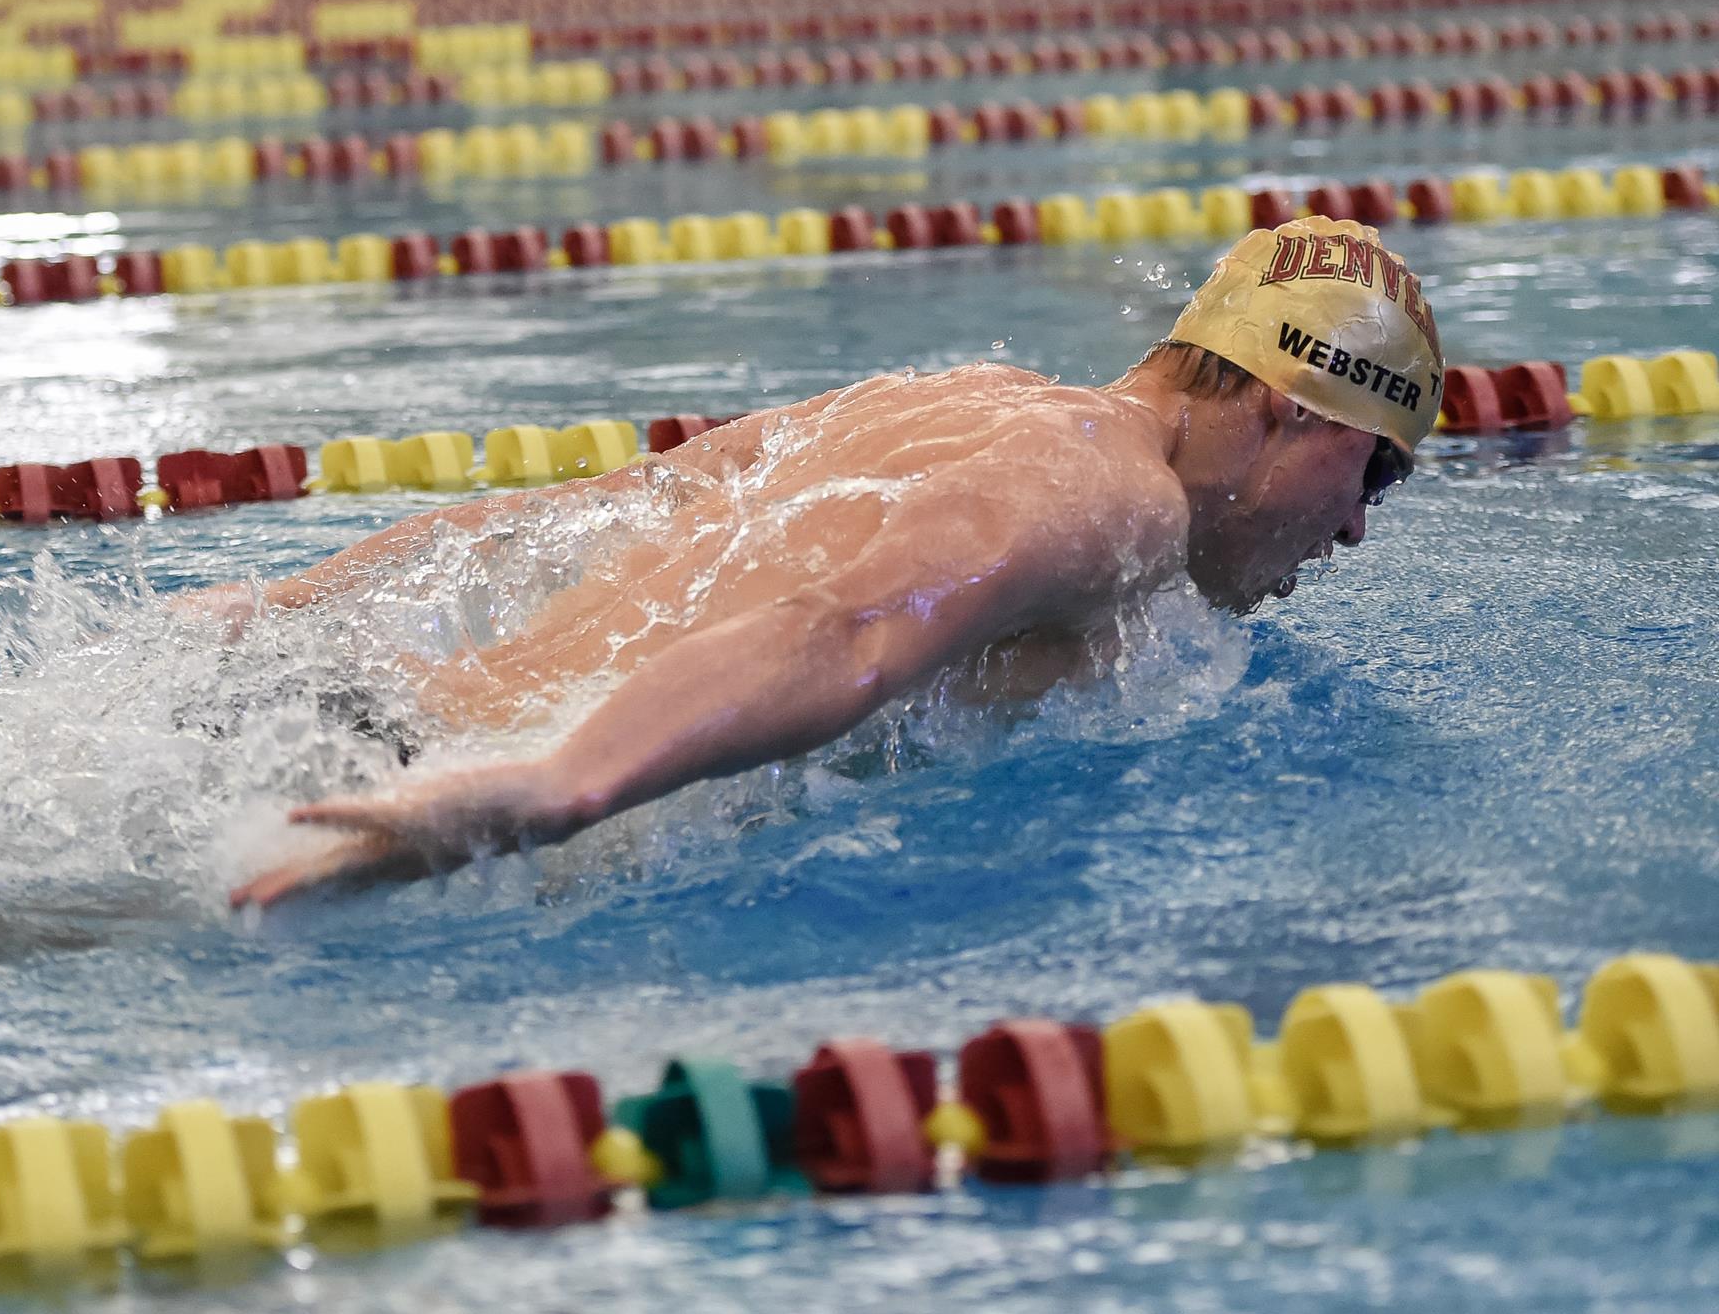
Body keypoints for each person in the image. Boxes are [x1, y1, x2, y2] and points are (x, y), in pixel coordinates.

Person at [215, 215, 1444, 908]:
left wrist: (282, 606)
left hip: (355, 707)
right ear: (1295, 411)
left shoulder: (969, 401)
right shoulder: (1116, 504)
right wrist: (556, 785)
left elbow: (586, 507)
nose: (1352, 529)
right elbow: (848, 625)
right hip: (450, 807)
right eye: (1374, 472)